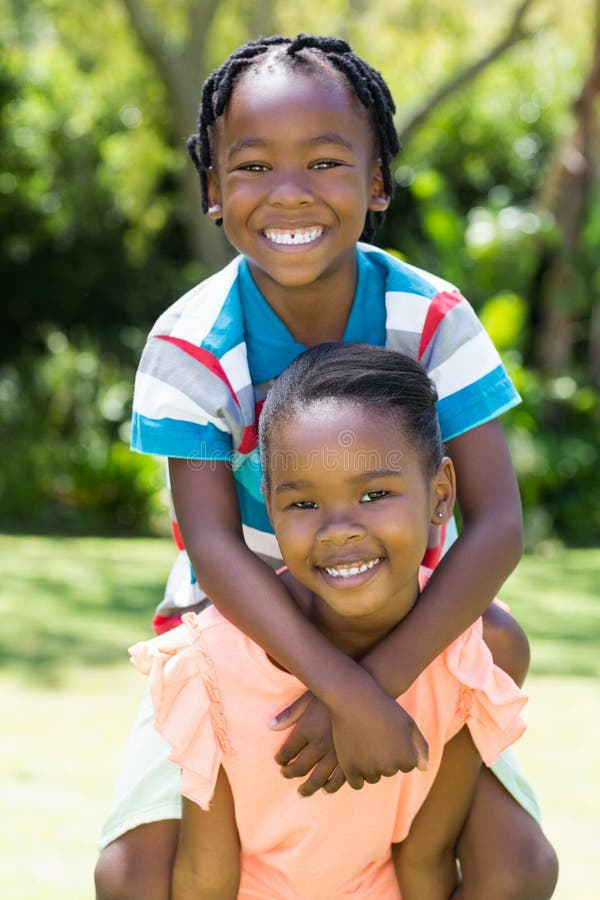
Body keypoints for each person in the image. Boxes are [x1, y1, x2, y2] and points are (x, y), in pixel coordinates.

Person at [95, 34, 558, 900]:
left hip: (407, 623)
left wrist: (372, 687)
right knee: (132, 873)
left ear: (378, 181)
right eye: (253, 166)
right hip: (243, 633)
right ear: (211, 189)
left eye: (326, 161)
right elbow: (213, 547)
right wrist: (335, 685)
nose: (289, 192)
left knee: (517, 865)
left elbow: (496, 524)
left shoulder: (432, 318)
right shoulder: (190, 343)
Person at [129, 343, 530, 899]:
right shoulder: (209, 670)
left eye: (375, 493)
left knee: (524, 864)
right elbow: (206, 876)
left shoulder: (471, 657)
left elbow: (426, 857)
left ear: (440, 495)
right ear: (269, 507)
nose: (339, 530)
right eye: (304, 505)